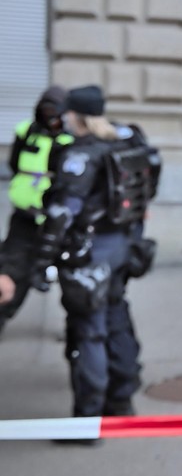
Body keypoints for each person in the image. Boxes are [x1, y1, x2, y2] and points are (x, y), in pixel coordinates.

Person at [0, 86, 159, 437]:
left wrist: (42, 262)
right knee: (117, 320)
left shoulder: (82, 155)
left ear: (77, 116)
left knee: (88, 333)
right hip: (121, 247)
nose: (64, 120)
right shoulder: (125, 140)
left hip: (89, 254)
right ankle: (121, 404)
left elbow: (61, 213)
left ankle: (86, 423)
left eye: (68, 114)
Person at [0, 87, 72, 333]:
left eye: (55, 111)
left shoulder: (70, 141)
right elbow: (14, 163)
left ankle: (74, 327)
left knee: (68, 274)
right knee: (11, 269)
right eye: (47, 110)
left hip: (56, 219)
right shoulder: (26, 131)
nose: (51, 116)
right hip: (25, 214)